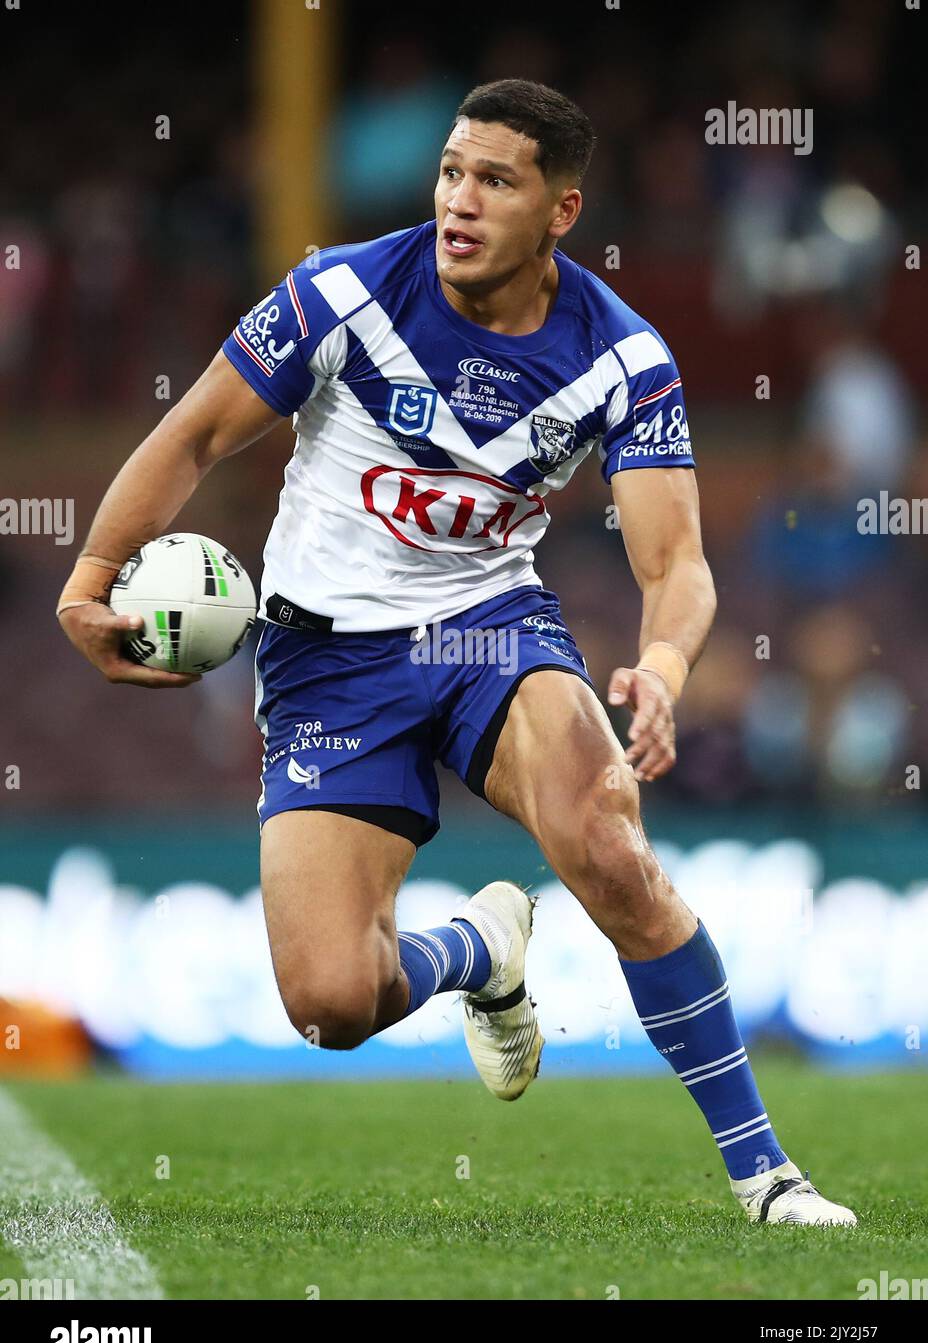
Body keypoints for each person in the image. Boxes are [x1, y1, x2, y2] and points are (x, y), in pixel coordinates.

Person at [57, 79, 855, 1226]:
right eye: (449, 172)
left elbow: (675, 562)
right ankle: (482, 945)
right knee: (332, 1002)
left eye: (495, 180)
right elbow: (192, 436)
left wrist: (662, 673)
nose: (459, 201)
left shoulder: (621, 357)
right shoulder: (342, 291)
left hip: (491, 631)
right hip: (326, 661)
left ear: (561, 211)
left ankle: (766, 1176)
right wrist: (88, 585)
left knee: (611, 846)